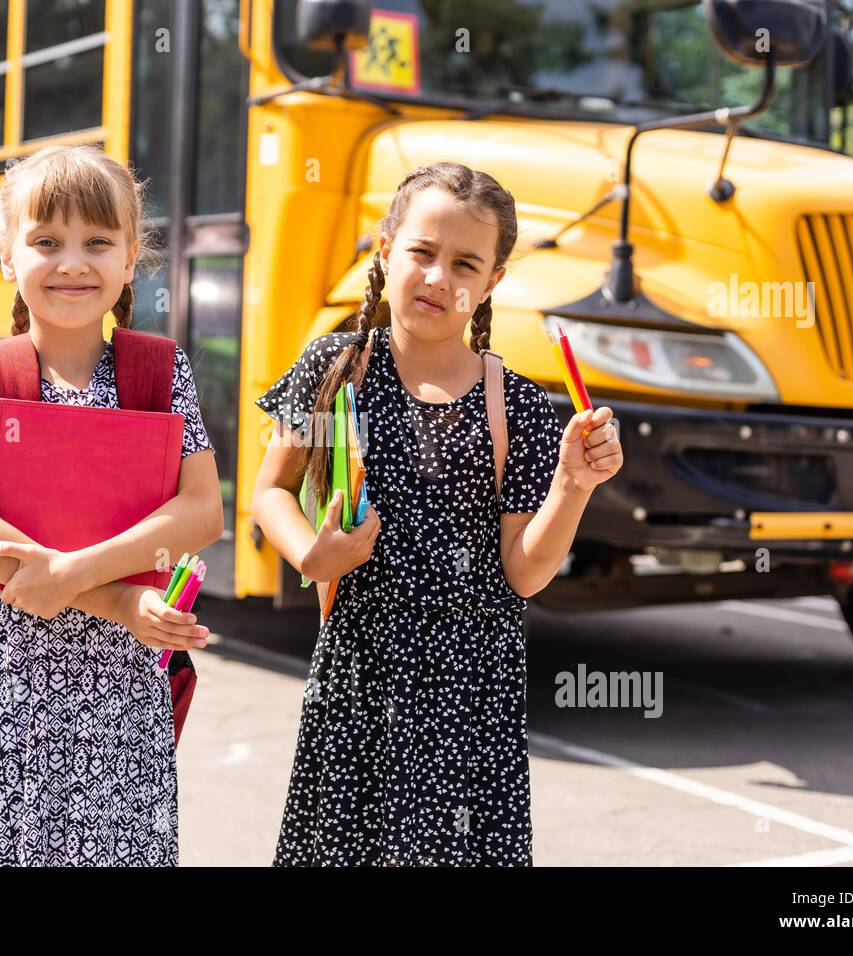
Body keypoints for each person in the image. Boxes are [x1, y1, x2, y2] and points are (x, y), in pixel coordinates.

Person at [252, 162, 623, 866]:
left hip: (472, 694)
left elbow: (526, 572)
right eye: (422, 251)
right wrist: (311, 554)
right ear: (385, 249)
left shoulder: (515, 403)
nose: (437, 276)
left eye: (465, 264)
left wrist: (572, 487)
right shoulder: (339, 372)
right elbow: (272, 490)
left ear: (491, 284)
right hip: (358, 678)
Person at [0, 145, 222, 866]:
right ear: (7, 257)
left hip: (120, 694)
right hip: (2, 684)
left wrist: (77, 574)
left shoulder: (158, 370)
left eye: (98, 243)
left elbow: (201, 510)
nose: (73, 263)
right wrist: (119, 600)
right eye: (46, 242)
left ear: (130, 257)